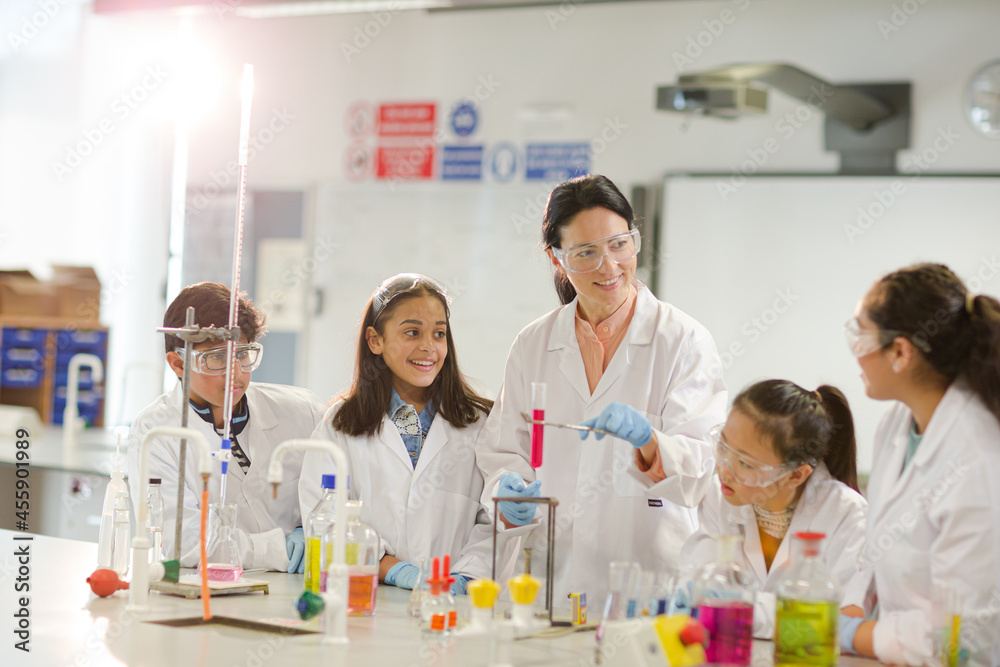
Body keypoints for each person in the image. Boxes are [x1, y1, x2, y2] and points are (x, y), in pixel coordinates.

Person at [476, 174, 727, 606]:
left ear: (636, 240)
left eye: (618, 245)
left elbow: (704, 470)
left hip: (648, 582)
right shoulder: (533, 344)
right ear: (558, 259)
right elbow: (502, 451)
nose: (608, 266)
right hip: (549, 580)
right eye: (586, 252)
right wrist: (506, 490)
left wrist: (651, 443)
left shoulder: (684, 341)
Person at [588, 380, 867, 638]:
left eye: (745, 463)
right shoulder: (719, 499)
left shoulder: (846, 514)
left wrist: (746, 609)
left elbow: (847, 619)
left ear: (796, 475)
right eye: (723, 446)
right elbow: (700, 594)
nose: (724, 469)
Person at [839, 263, 1000, 666]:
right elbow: (881, 546)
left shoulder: (977, 458)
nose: (854, 351)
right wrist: (855, 605)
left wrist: (854, 635)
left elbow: (965, 638)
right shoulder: (898, 424)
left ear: (900, 352)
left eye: (861, 336)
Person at [299, 273, 500, 595]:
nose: (428, 347)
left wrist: (466, 577)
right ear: (375, 340)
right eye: (412, 332)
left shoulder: (479, 423)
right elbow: (323, 519)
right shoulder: (340, 424)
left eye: (439, 334)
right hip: (368, 598)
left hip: (452, 601)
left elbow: (493, 523)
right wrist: (394, 570)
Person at [128, 282, 324, 573]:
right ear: (178, 364)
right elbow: (184, 544)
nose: (236, 373)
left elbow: (340, 498)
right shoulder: (156, 434)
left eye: (242, 354)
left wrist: (306, 529)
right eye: (216, 357)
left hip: (302, 591)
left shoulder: (302, 411)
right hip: (211, 594)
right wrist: (281, 548)